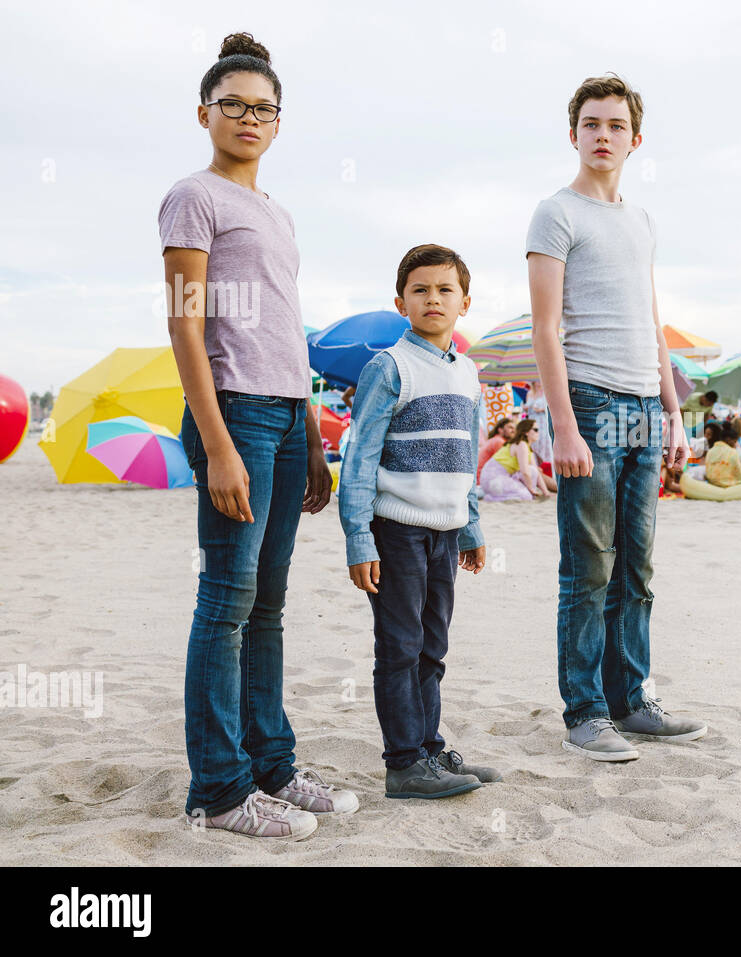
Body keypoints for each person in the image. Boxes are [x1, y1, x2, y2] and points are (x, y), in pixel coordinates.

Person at [163, 32, 353, 840]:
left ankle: (270, 764)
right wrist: (217, 444)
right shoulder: (193, 197)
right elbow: (184, 321)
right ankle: (218, 788)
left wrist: (310, 429)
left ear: (280, 123)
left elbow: (285, 330)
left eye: (263, 107)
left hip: (283, 414)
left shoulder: (276, 212)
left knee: (268, 604)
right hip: (232, 411)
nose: (248, 116)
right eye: (233, 104)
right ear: (205, 112)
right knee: (226, 600)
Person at [527, 73, 704, 762]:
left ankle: (632, 700)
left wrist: (674, 412)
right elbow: (546, 330)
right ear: (574, 133)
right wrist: (563, 425)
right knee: (588, 567)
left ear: (636, 139)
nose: (604, 135)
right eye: (592, 123)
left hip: (644, 410)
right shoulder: (556, 213)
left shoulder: (643, 220)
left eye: (616, 126)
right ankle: (586, 711)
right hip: (592, 401)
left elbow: (652, 322)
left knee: (637, 567)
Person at [338, 244, 498, 800]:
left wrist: (471, 527)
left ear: (465, 302)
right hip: (396, 529)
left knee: (433, 646)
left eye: (445, 289)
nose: (433, 298)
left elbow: (468, 457)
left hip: (446, 531)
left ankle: (429, 747)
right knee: (400, 646)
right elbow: (359, 459)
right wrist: (360, 538)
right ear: (401, 301)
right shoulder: (389, 367)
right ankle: (404, 763)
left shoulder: (469, 374)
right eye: (421, 289)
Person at [480, 417, 549, 501]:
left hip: (493, 478)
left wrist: (546, 493)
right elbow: (524, 471)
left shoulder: (526, 447)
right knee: (526, 496)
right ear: (526, 432)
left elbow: (536, 472)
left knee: (533, 471)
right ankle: (490, 498)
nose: (538, 432)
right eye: (535, 429)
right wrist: (531, 489)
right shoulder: (521, 444)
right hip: (492, 478)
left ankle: (494, 496)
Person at [477, 417, 515, 482]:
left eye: (514, 428)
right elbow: (505, 466)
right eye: (510, 427)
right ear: (500, 430)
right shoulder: (499, 442)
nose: (513, 430)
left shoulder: (495, 440)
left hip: (482, 478)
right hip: (484, 480)